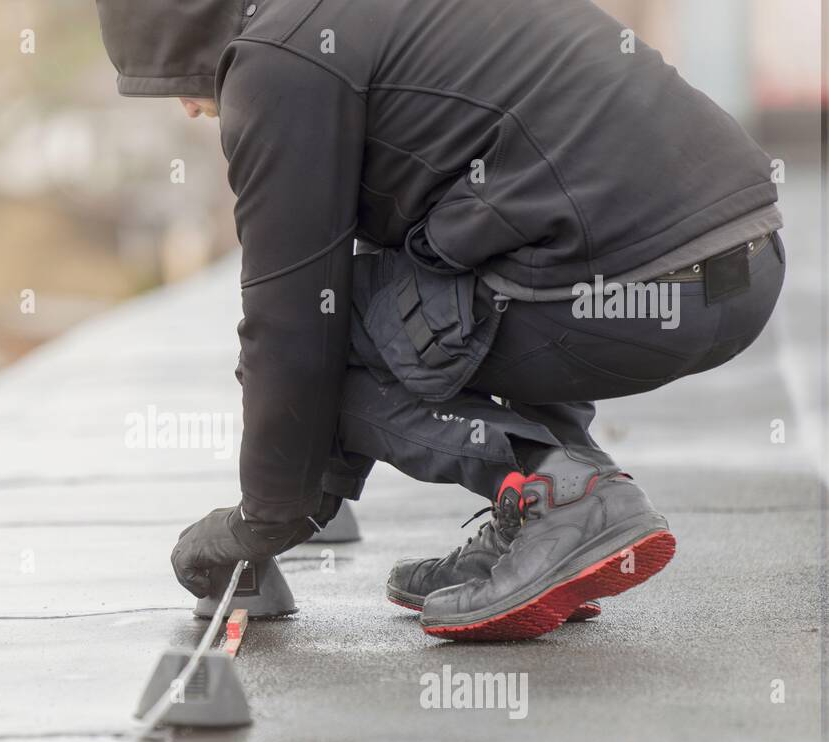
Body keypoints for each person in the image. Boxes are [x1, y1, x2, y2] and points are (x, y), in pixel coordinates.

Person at [95, 0, 785, 640]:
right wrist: (309, 499)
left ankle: (561, 496)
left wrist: (260, 523)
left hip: (630, 282)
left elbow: (293, 326)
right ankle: (554, 504)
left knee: (339, 320)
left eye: (169, 75)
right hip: (744, 264)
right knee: (432, 275)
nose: (187, 107)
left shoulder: (279, 59)